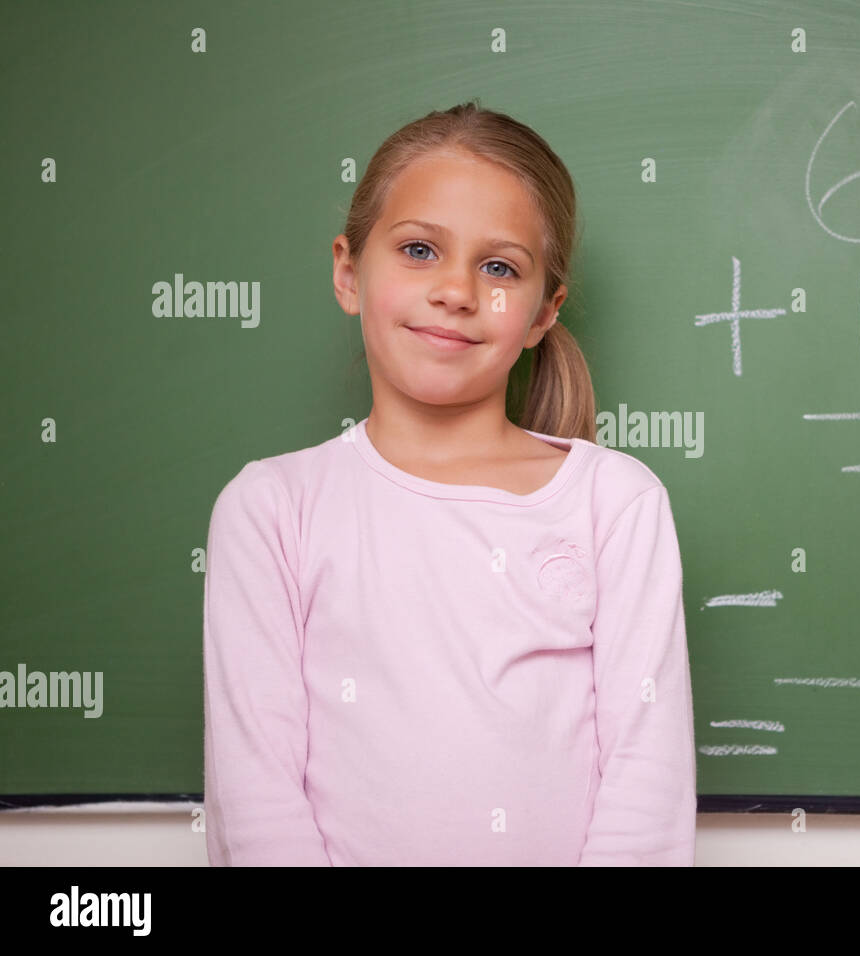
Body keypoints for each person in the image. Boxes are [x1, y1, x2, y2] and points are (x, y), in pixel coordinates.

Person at [201, 101, 696, 865]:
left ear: (541, 312)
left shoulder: (614, 503)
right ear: (347, 272)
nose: (458, 291)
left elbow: (646, 783)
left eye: (499, 268)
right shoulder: (272, 510)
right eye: (420, 250)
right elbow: (257, 794)